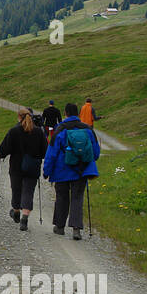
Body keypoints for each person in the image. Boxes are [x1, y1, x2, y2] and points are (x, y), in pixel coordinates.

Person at [42, 102, 101, 241]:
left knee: (62, 197)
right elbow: (96, 153)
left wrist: (46, 171)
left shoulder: (60, 130)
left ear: (66, 113)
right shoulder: (87, 130)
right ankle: (76, 230)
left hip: (61, 171)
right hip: (81, 171)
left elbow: (51, 154)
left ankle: (60, 227)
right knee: (77, 198)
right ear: (78, 114)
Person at [0, 107, 47, 232]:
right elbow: (45, 151)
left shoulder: (14, 131)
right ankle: (25, 218)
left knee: (16, 190)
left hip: (16, 166)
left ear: (19, 117)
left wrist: (1, 152)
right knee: (28, 192)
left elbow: (3, 150)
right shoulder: (38, 132)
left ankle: (16, 212)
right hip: (32, 166)